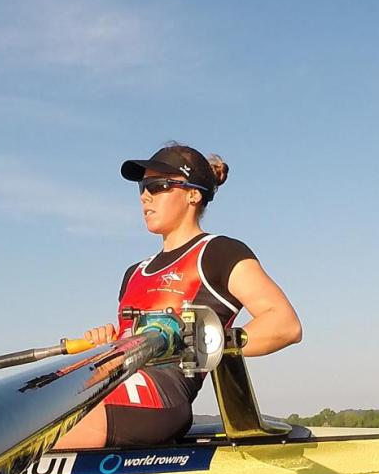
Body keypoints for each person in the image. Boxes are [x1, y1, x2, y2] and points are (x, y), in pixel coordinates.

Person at [56, 143, 302, 451]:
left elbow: (284, 324)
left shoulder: (218, 253)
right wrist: (105, 344)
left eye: (157, 186)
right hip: (119, 380)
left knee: (36, 426)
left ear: (193, 194)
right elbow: (130, 341)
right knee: (37, 392)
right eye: (142, 188)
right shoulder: (134, 272)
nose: (144, 196)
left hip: (163, 397)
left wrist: (209, 342)